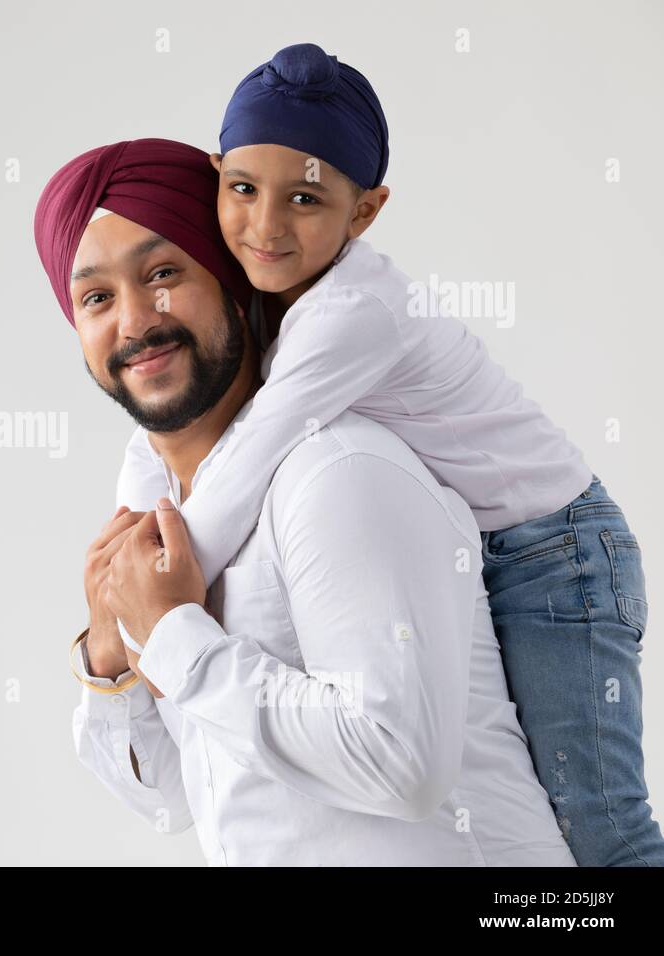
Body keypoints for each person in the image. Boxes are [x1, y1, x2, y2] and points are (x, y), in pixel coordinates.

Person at [107, 43, 661, 867]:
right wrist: (130, 555)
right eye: (244, 190)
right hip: (508, 546)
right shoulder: (277, 304)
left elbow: (251, 450)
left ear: (364, 212)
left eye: (304, 199)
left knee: (599, 826)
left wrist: (156, 607)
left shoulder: (351, 314)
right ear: (218, 173)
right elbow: (166, 442)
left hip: (559, 556)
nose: (264, 227)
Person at [35, 137, 575, 865]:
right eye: (96, 298)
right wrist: (111, 654)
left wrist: (172, 635)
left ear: (234, 279)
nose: (134, 321)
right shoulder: (157, 521)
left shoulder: (335, 472)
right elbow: (171, 798)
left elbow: (400, 763)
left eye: (164, 273)